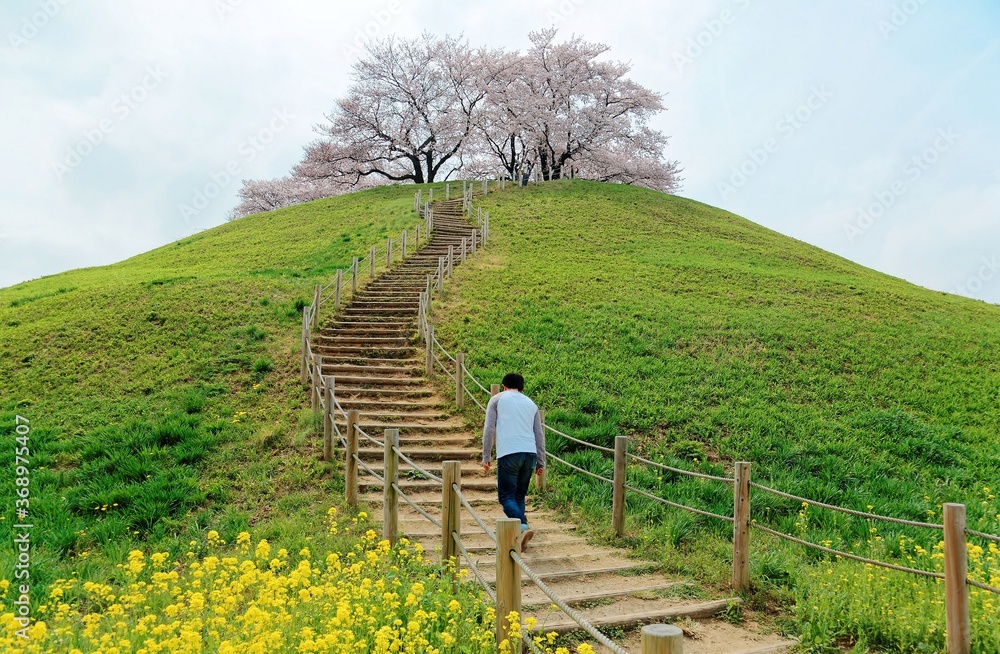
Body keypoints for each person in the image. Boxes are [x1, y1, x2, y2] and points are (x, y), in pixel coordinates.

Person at [482, 372, 545, 552]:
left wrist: (486, 456)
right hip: (530, 453)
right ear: (522, 388)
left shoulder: (497, 400)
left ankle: (523, 527)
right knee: (518, 496)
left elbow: (489, 428)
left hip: (509, 452)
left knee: (506, 496)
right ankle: (520, 538)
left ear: (503, 386)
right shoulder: (531, 403)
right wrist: (541, 462)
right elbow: (539, 435)